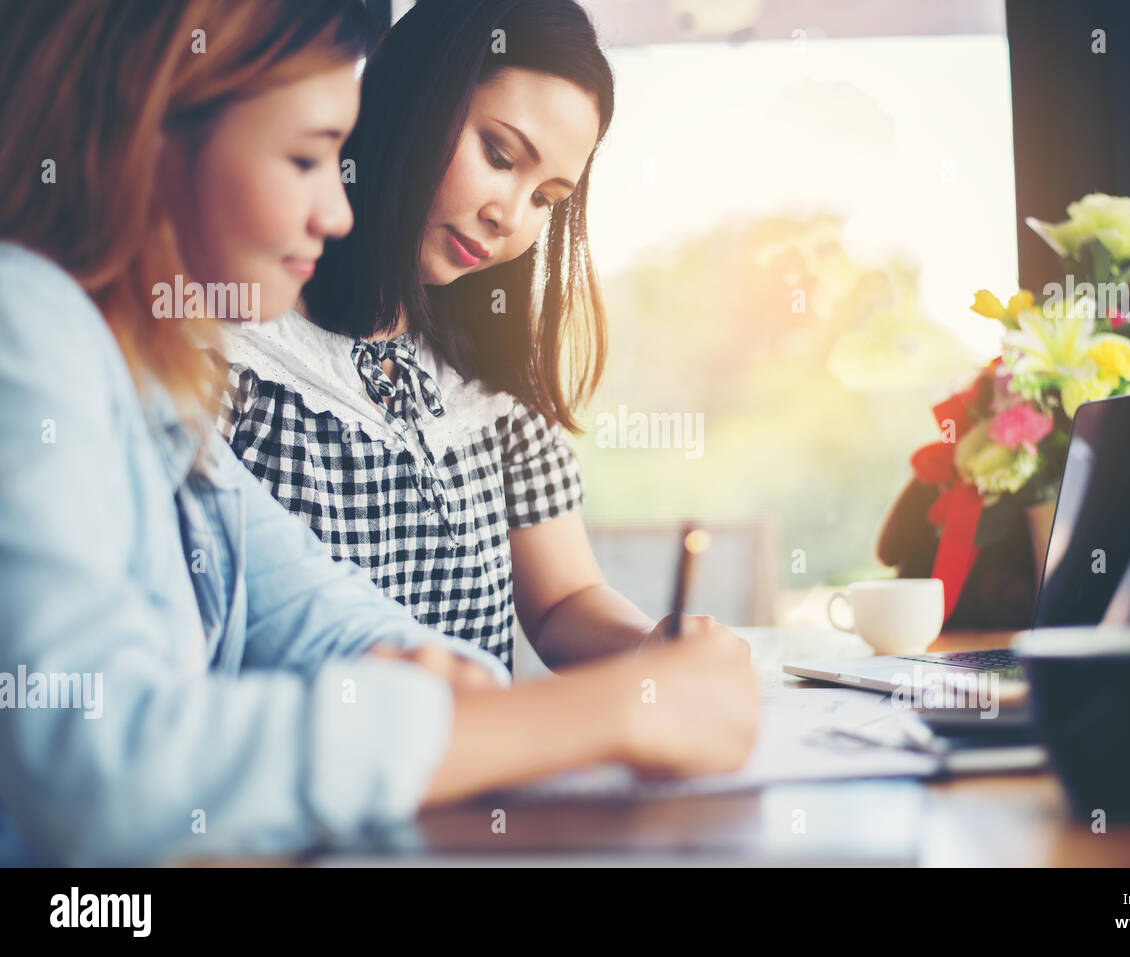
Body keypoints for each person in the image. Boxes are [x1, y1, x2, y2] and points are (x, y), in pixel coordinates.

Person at [0, 0, 759, 866]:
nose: (337, 210)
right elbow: (101, 773)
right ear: (153, 128)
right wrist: (606, 712)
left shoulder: (149, 388)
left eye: (549, 195)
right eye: (307, 156)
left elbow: (325, 611)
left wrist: (478, 690)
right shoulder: (30, 323)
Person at [216, 0, 742, 672]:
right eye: (499, 155)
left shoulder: (486, 368)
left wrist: (653, 647)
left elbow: (564, 599)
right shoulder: (241, 351)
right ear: (412, 95)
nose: (509, 217)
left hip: (491, 768)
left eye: (547, 198)